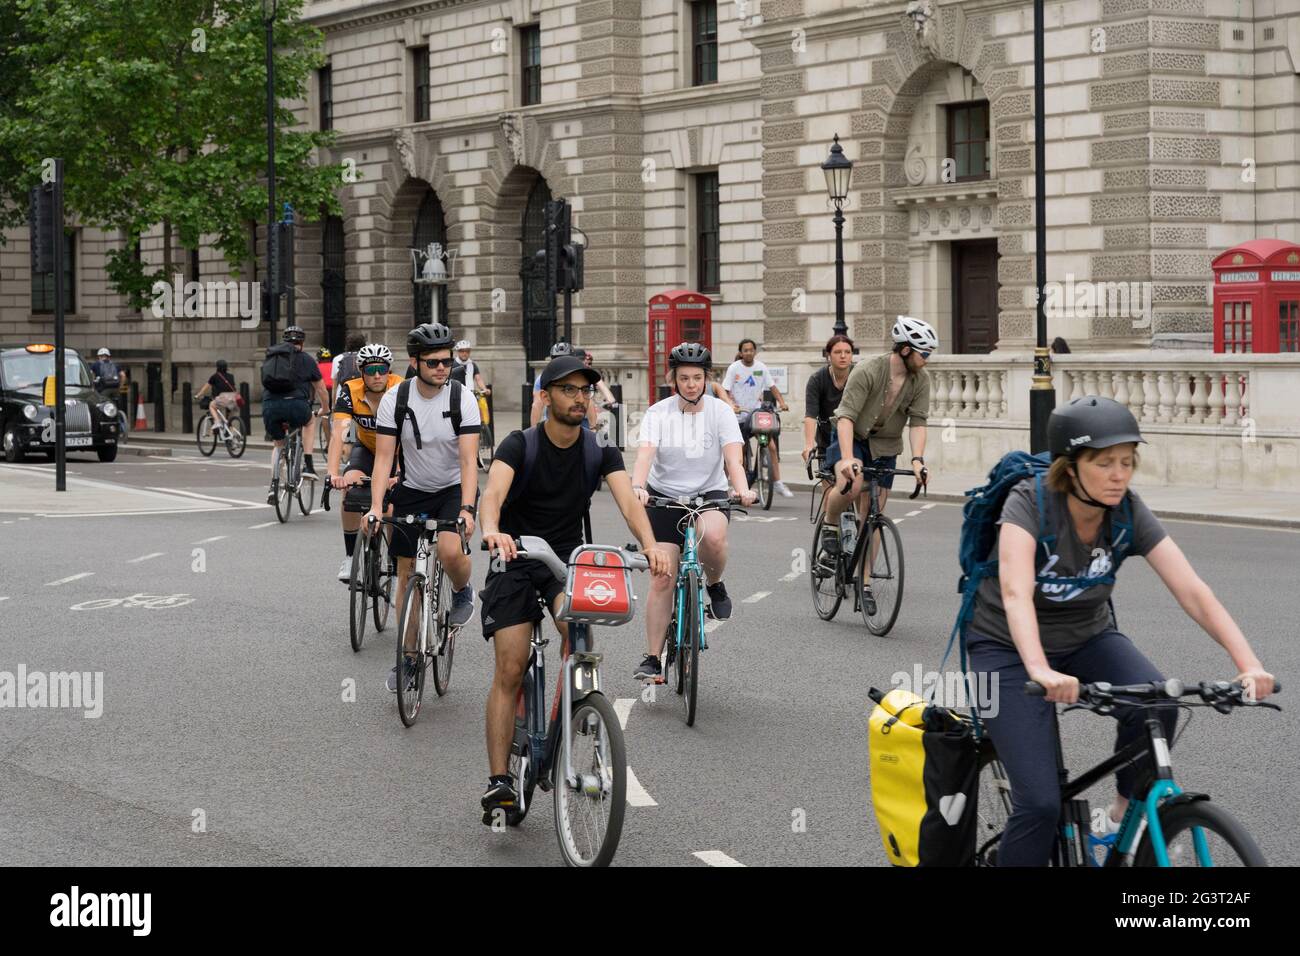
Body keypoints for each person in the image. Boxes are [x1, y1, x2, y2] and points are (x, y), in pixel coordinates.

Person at [966, 396, 1275, 866]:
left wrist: (1247, 663)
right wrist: (1039, 669)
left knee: (1160, 702)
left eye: (1127, 462)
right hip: (1005, 648)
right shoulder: (1029, 502)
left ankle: (1117, 820)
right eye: (1105, 462)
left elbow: (1193, 590)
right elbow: (1014, 593)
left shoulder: (1127, 511)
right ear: (1070, 469)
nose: (1119, 474)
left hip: (1087, 638)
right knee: (1041, 804)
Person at [477, 354, 670, 823]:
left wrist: (650, 546)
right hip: (518, 556)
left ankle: (580, 708)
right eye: (569, 390)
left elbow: (628, 500)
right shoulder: (519, 445)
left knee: (579, 632)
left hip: (566, 561)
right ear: (545, 397)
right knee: (510, 664)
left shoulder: (598, 451)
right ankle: (501, 779)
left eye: (585, 391)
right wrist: (492, 530)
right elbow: (493, 495)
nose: (579, 398)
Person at [630, 343, 758, 682]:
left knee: (713, 535)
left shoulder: (721, 412)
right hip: (664, 498)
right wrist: (638, 486)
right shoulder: (658, 413)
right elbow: (645, 455)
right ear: (673, 378)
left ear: (706, 379)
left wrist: (742, 489)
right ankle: (653, 659)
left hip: (709, 495)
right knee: (662, 577)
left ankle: (714, 585)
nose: (690, 384)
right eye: (684, 378)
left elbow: (733, 460)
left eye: (697, 378)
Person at [365, 323, 481, 693]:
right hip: (413, 488)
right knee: (405, 573)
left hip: (452, 488)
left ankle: (462, 590)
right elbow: (383, 460)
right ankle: (409, 658)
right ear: (415, 363)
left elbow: (468, 461)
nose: (442, 368)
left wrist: (467, 509)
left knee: (449, 549)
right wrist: (374, 506)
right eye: (433, 362)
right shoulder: (395, 399)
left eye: (446, 361)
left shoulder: (461, 398)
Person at [821, 316, 934, 605]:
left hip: (886, 445)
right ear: (906, 350)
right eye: (924, 353)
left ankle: (866, 583)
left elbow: (918, 421)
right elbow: (845, 416)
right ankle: (830, 524)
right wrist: (847, 458)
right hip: (853, 436)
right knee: (853, 481)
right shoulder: (869, 369)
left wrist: (919, 460)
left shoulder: (921, 379)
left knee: (872, 514)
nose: (927, 360)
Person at [328, 343, 404, 582]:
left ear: (389, 370)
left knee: (391, 506)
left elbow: (411, 434)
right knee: (349, 490)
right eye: (371, 371)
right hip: (367, 449)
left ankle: (393, 567)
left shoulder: (401, 388)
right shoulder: (350, 389)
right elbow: (339, 432)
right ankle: (351, 556)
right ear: (362, 372)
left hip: (399, 451)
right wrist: (332, 473)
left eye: (382, 369)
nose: (377, 375)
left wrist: (401, 472)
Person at [263, 325, 329, 502]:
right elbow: (321, 389)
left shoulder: (272, 357)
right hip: (296, 404)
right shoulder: (306, 359)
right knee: (309, 422)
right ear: (302, 342)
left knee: (278, 445)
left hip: (270, 406)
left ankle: (274, 486)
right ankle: (308, 465)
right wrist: (325, 408)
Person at [722, 338, 793, 498]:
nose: (748, 352)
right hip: (739, 415)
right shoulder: (734, 368)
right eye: (745, 350)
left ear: (755, 351)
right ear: (741, 353)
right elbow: (725, 390)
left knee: (772, 447)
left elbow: (772, 386)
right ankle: (737, 484)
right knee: (740, 449)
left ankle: (777, 482)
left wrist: (782, 402)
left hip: (756, 414)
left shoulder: (761, 367)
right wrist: (731, 405)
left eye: (751, 350)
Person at [802, 334, 854, 470]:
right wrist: (808, 444)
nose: (843, 356)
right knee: (828, 486)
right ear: (828, 355)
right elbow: (810, 415)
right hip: (826, 439)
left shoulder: (859, 375)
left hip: (855, 439)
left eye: (847, 352)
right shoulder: (817, 379)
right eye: (837, 352)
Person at [529, 341, 593, 429]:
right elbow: (537, 405)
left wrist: (533, 432)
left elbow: (536, 405)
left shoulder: (581, 377)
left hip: (577, 423)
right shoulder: (581, 377)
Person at [194, 359, 239, 425]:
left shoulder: (215, 376)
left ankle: (217, 421)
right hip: (233, 399)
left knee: (212, 405)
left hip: (222, 398)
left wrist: (198, 395)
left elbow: (206, 387)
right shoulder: (231, 376)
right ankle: (232, 432)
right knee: (229, 421)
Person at [332, 331, 368, 397]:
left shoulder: (337, 358)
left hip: (342, 396)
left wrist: (333, 405)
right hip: (361, 396)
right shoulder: (367, 357)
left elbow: (335, 386)